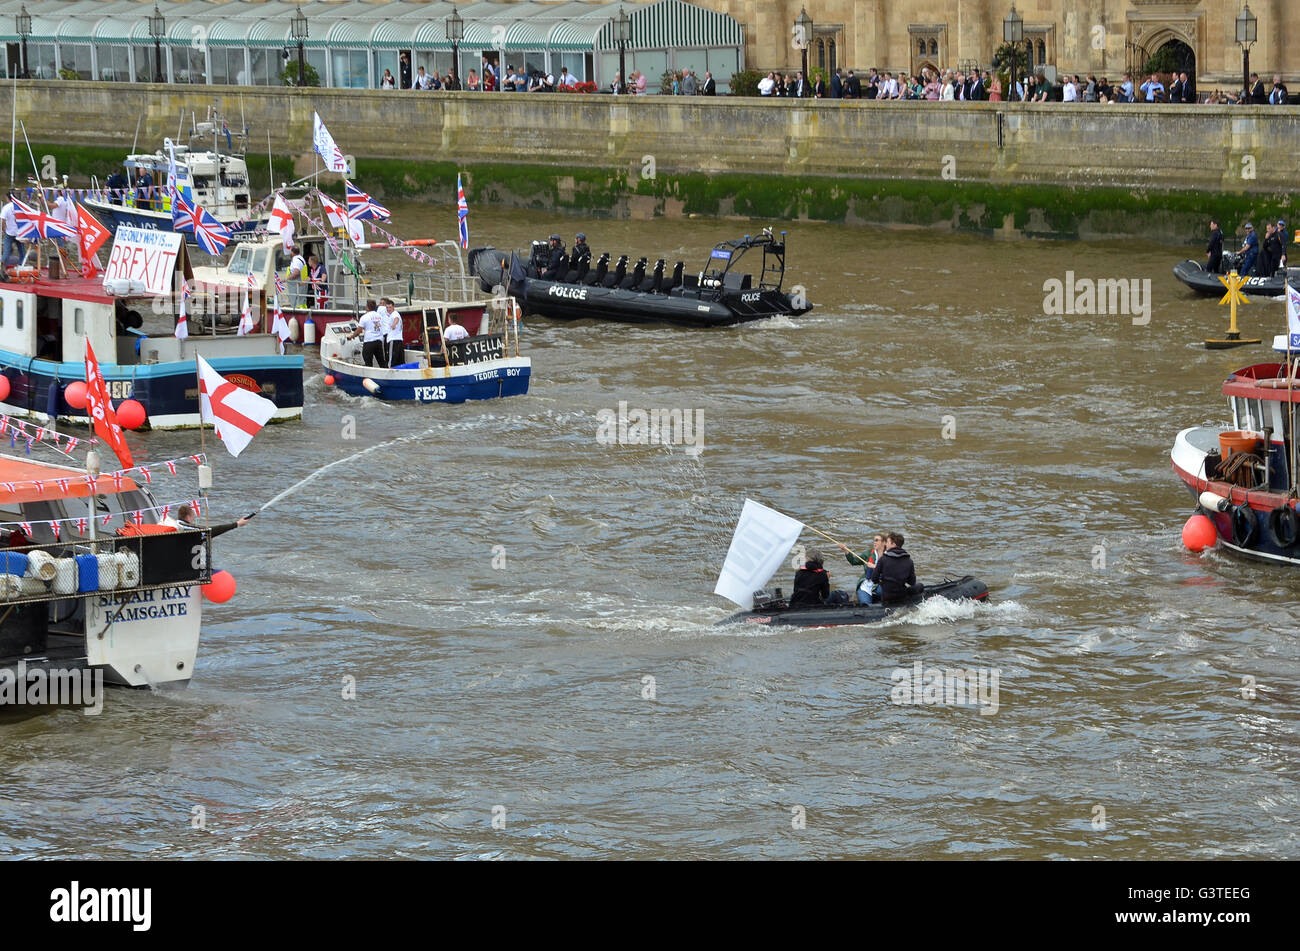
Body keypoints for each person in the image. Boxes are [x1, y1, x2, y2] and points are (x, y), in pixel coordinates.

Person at [871, 532, 920, 605]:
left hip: (887, 597)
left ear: (893, 544)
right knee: (920, 586)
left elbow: (874, 579)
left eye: (887, 542)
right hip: (901, 596)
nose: (885, 544)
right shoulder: (909, 561)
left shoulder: (883, 559)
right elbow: (912, 582)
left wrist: (882, 582)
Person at [840, 534, 885, 604]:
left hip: (881, 583)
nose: (874, 542)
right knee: (866, 604)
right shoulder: (868, 553)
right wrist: (846, 550)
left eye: (876, 540)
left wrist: (875, 567)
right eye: (874, 540)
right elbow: (854, 561)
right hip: (867, 585)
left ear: (884, 542)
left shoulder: (889, 555)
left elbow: (891, 570)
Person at [165, 503, 250, 536]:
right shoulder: (186, 528)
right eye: (193, 517)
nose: (193, 519)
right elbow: (210, 531)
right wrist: (237, 524)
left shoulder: (175, 523)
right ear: (187, 517)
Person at [347, 300, 387, 367]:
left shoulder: (364, 317)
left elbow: (359, 330)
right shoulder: (380, 316)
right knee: (381, 361)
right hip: (379, 341)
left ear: (367, 308)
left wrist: (352, 336)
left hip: (369, 342)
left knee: (368, 361)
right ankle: (385, 374)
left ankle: (369, 376)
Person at [1, 192, 26, 272]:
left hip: (9, 232)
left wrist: (3, 229)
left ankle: (2, 268)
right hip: (19, 233)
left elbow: (3, 220)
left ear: (7, 198)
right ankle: (21, 266)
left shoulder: (6, 207)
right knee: (22, 251)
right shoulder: (19, 206)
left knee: (6, 251)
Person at [384, 298, 405, 367]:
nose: (388, 309)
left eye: (390, 307)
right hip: (399, 339)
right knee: (400, 360)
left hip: (393, 340)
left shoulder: (394, 314)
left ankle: (389, 372)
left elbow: (396, 319)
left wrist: (394, 324)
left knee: (391, 359)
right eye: (387, 307)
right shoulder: (394, 314)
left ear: (393, 307)